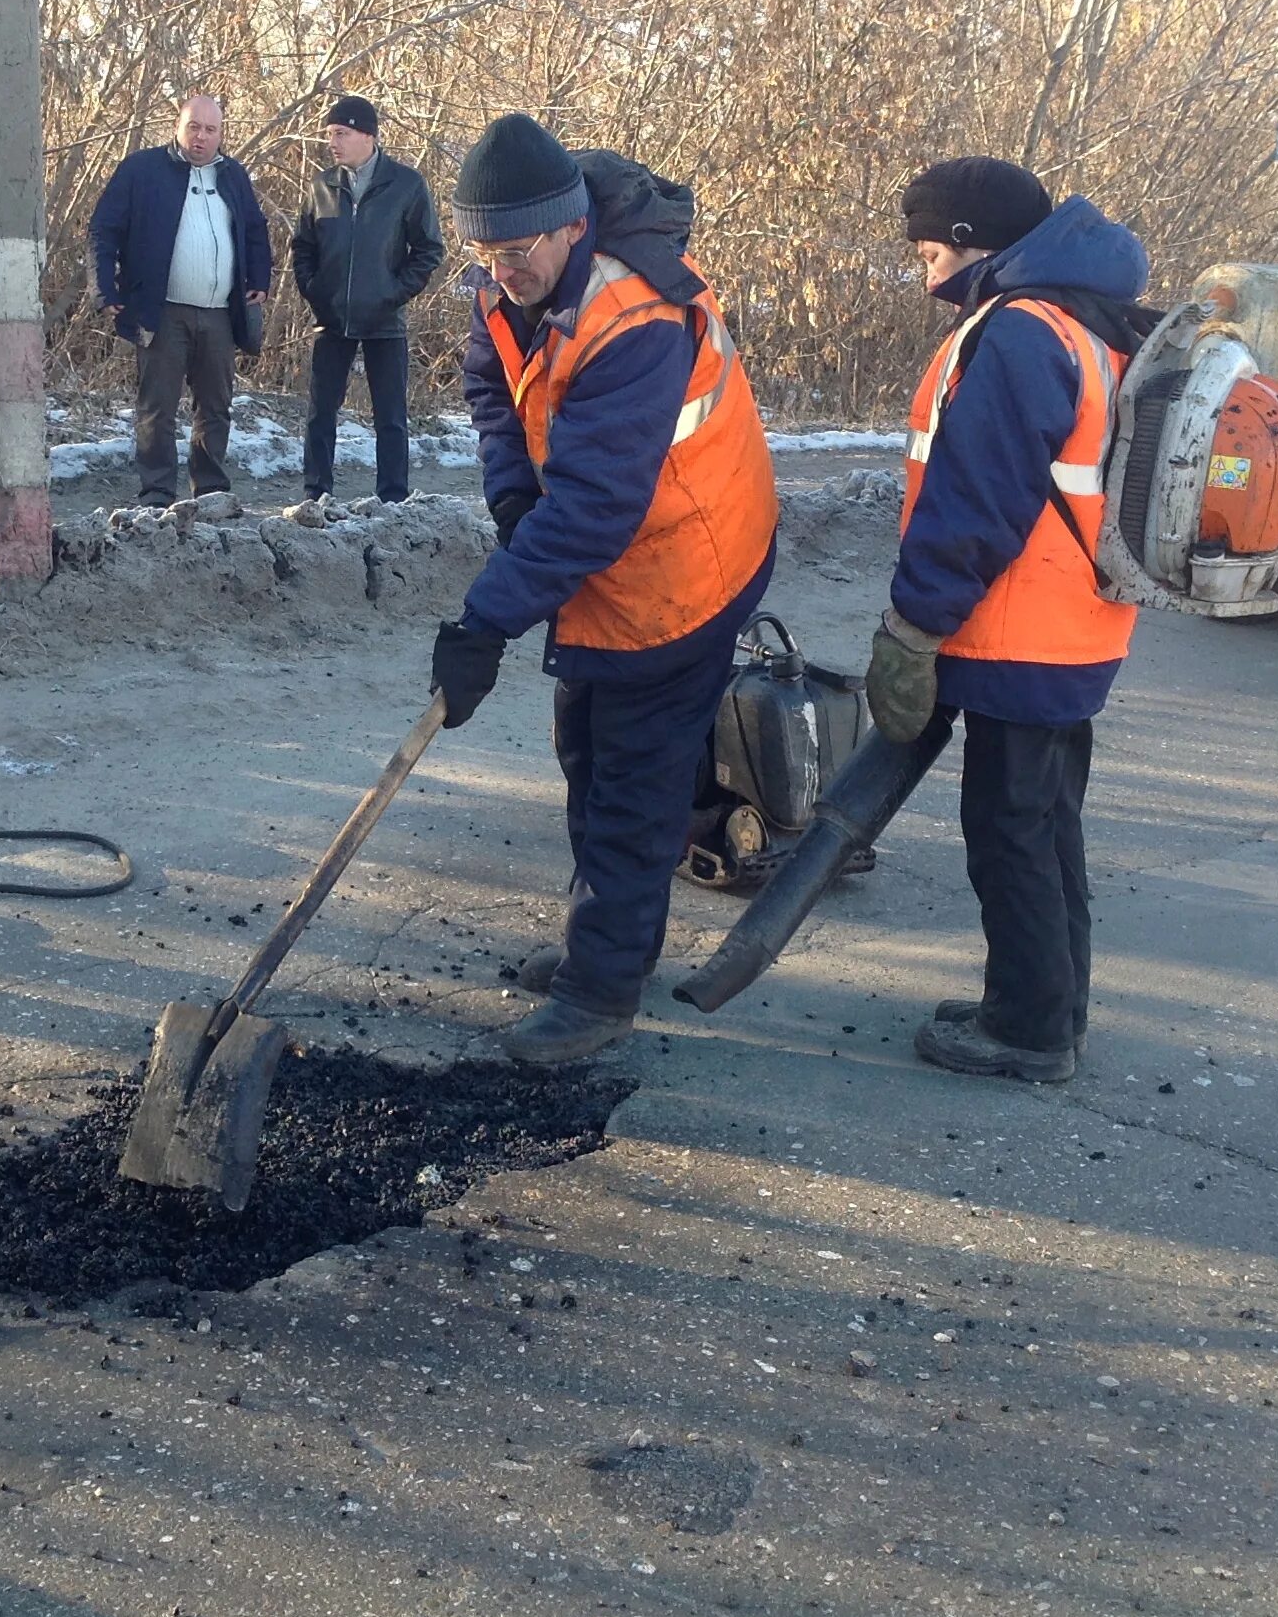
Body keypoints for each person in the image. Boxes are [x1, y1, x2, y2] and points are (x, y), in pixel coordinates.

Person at [429, 114, 779, 1064]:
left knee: (632, 775)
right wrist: (511, 501)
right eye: (484, 253)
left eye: (516, 252)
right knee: (583, 744)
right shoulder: (511, 288)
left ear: (571, 225)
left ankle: (601, 992)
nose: (500, 272)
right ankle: (604, 940)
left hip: (687, 565)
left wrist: (485, 620)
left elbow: (592, 510)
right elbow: (492, 387)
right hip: (620, 556)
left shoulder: (637, 321)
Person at [860, 156, 1147, 1084]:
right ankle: (1048, 1004)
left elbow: (975, 500)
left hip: (1020, 631)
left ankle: (1028, 1031)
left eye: (927, 248)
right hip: (1079, 630)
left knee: (1011, 832)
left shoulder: (1021, 331)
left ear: (970, 243)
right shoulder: (1086, 322)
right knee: (1048, 824)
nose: (924, 269)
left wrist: (914, 625)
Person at [86, 95, 273, 504]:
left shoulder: (233, 176)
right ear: (178, 125)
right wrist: (104, 287)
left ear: (221, 134)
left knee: (216, 406)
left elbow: (256, 228)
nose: (201, 137)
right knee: (158, 407)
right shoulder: (142, 170)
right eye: (194, 127)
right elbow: (104, 230)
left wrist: (260, 277)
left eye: (210, 130)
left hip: (221, 311)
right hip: (162, 309)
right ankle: (157, 492)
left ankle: (210, 490)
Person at [289, 96, 446, 503]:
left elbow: (428, 249)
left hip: (385, 319)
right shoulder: (321, 186)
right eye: (329, 135)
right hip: (331, 316)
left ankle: (393, 499)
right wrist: (315, 290)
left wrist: (393, 293)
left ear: (368, 135)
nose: (333, 142)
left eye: (341, 133)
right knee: (321, 414)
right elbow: (302, 247)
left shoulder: (407, 185)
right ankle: (315, 494)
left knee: (391, 417)